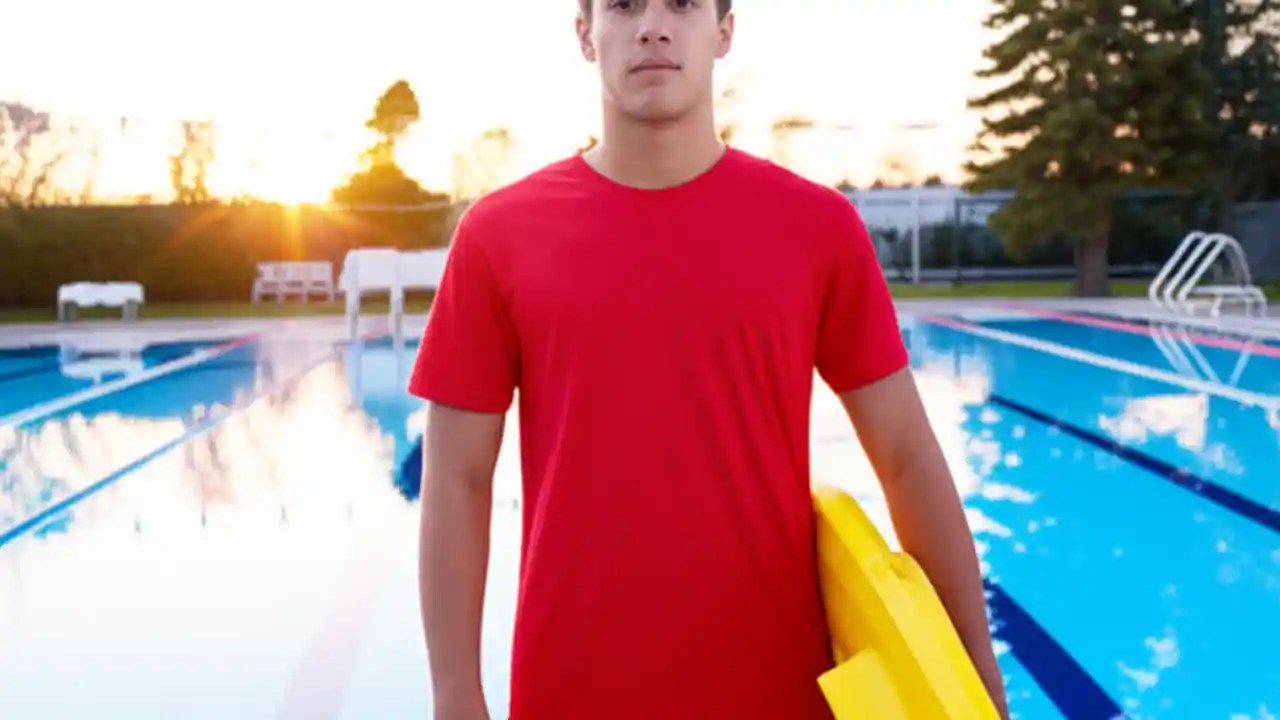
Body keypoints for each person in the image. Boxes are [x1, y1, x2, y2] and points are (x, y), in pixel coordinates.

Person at [409, 1, 1011, 718]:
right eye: (625, 6)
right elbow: (457, 479)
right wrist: (454, 696)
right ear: (584, 32)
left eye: (684, 5)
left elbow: (907, 456)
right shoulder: (498, 237)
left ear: (725, 31)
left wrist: (972, 675)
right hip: (570, 691)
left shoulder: (816, 229)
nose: (654, 26)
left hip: (780, 692)